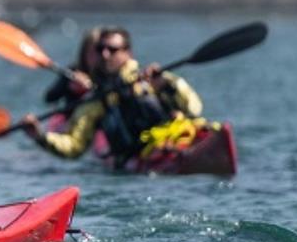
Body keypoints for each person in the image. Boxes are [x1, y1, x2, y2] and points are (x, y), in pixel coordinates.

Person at [22, 26, 203, 164]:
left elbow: (194, 109)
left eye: (113, 49)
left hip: (175, 141)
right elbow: (74, 147)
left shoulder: (151, 78)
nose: (105, 54)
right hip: (138, 160)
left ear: (127, 53)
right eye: (100, 49)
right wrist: (40, 136)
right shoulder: (96, 102)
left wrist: (167, 85)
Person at [43, 27, 102, 125]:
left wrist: (90, 87)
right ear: (84, 53)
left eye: (99, 52)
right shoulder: (72, 72)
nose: (97, 57)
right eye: (92, 52)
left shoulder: (109, 74)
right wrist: (70, 88)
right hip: (73, 121)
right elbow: (49, 97)